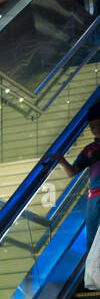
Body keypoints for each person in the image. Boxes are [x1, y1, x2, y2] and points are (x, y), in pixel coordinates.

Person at [48, 103, 100, 257]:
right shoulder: (89, 150)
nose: (94, 129)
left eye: (98, 125)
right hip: (94, 197)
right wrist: (61, 161)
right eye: (92, 126)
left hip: (95, 197)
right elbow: (73, 171)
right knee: (92, 238)